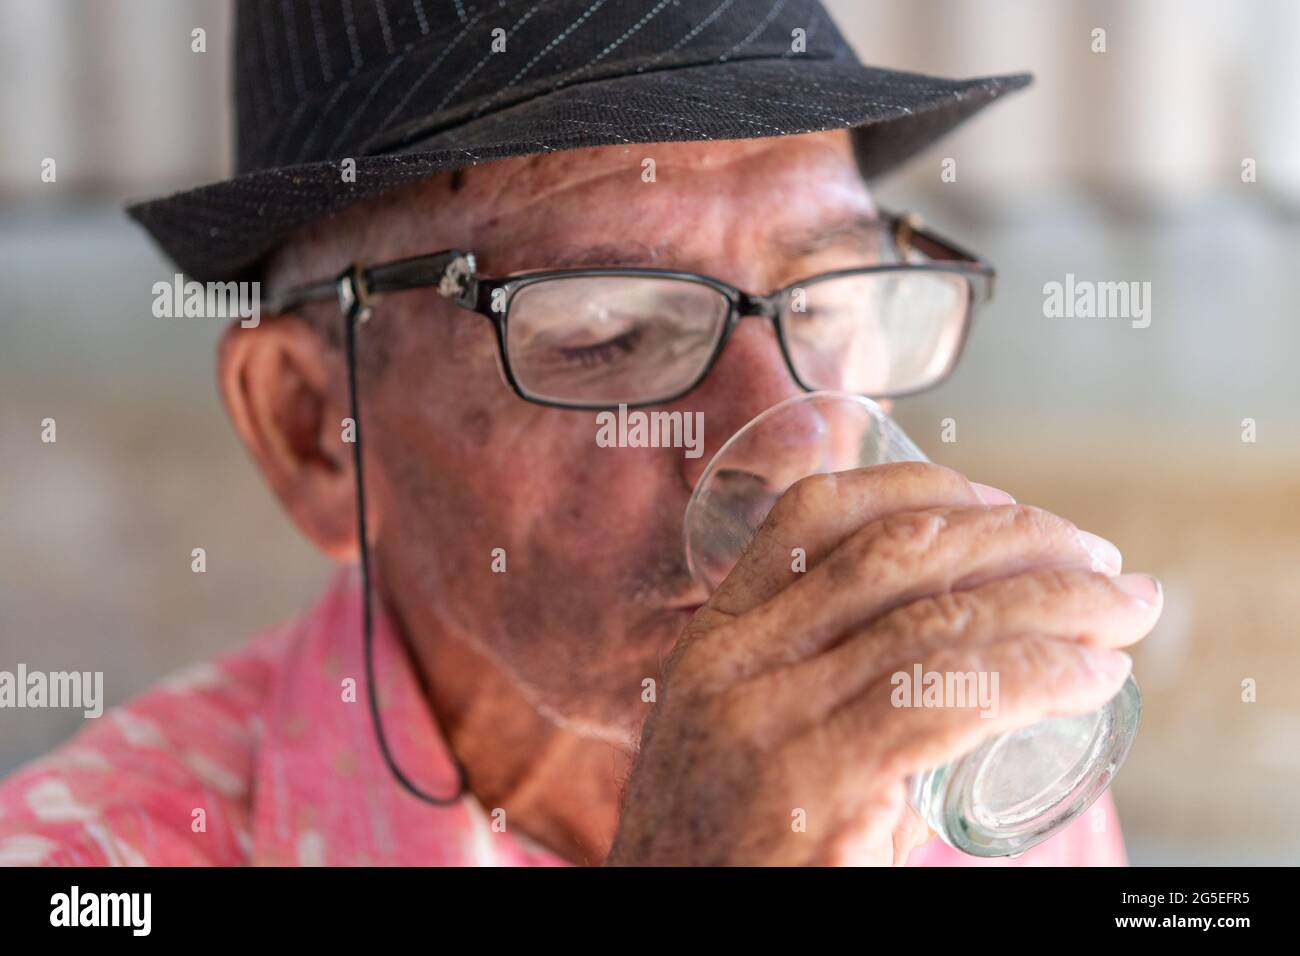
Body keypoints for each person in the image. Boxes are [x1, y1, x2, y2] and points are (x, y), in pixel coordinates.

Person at [0, 0, 1160, 866]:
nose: (800, 436)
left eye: (820, 300)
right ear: (312, 429)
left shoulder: (957, 751)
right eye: (605, 335)